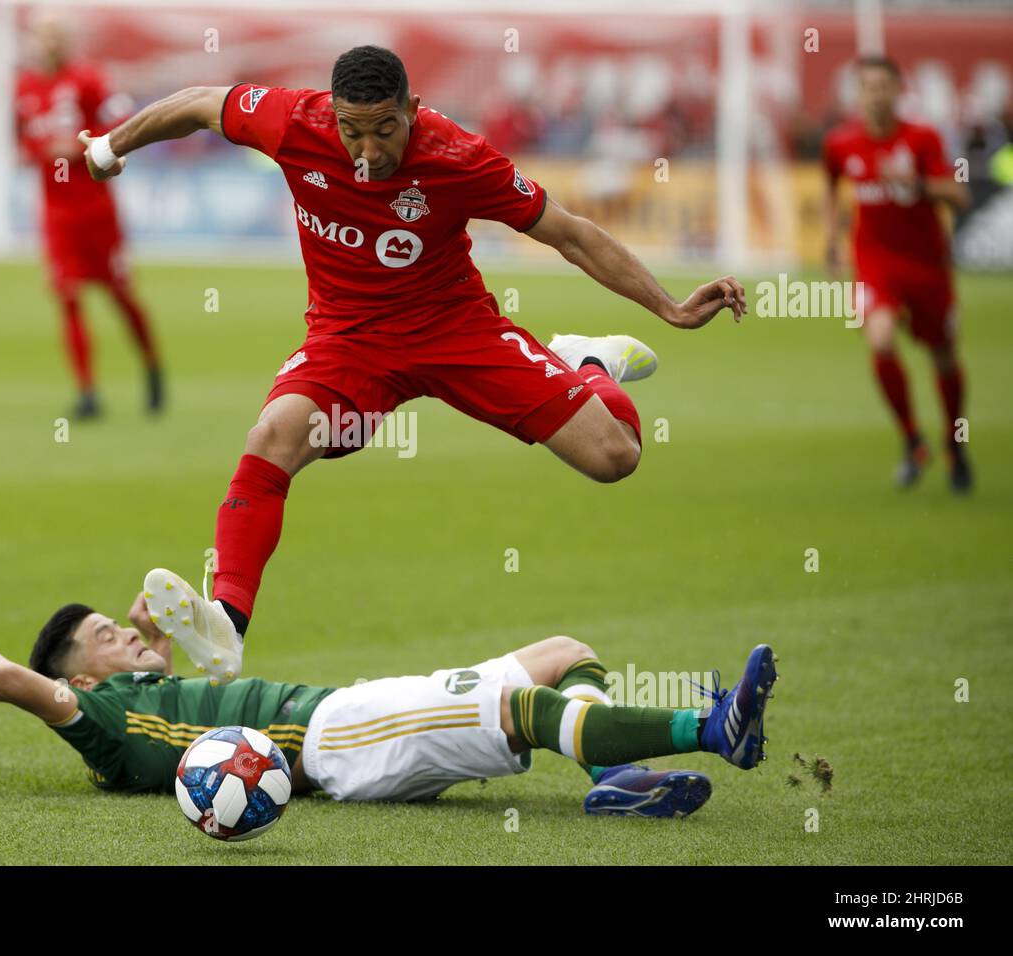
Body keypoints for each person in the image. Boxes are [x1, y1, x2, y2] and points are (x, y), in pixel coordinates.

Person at [79, 45, 747, 681]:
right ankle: (226, 620)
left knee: (616, 457)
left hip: (456, 331)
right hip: (350, 340)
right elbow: (200, 100)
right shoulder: (291, 121)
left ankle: (588, 363)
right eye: (352, 132)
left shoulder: (460, 157)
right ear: (330, 114)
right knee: (272, 436)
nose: (368, 151)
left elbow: (569, 233)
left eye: (385, 131)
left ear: (414, 109)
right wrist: (111, 147)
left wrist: (670, 308)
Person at [0, 592, 778, 819]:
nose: (127, 633)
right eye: (107, 635)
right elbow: (5, 678)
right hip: (338, 740)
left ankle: (615, 774)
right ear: (81, 680)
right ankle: (713, 730)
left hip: (350, 715)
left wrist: (156, 618)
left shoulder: (144, 691)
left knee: (566, 655)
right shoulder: (101, 723)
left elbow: (200, 645)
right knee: (517, 707)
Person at [823, 55, 972, 490]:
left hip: (927, 265)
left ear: (897, 91)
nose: (876, 95)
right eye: (867, 87)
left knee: (943, 356)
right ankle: (913, 440)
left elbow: (959, 197)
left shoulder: (922, 138)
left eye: (883, 86)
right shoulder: (841, 143)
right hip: (875, 263)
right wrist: (833, 241)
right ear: (858, 93)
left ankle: (954, 443)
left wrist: (917, 184)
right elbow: (831, 187)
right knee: (882, 339)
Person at [17, 14, 163, 418]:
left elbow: (123, 118)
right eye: (41, 37)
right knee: (67, 297)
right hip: (55, 211)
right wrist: (39, 150)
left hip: (96, 210)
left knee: (118, 294)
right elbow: (25, 141)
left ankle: (151, 365)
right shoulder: (25, 87)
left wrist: (91, 145)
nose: (46, 44)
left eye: (53, 37)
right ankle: (87, 393)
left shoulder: (88, 80)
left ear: (65, 42)